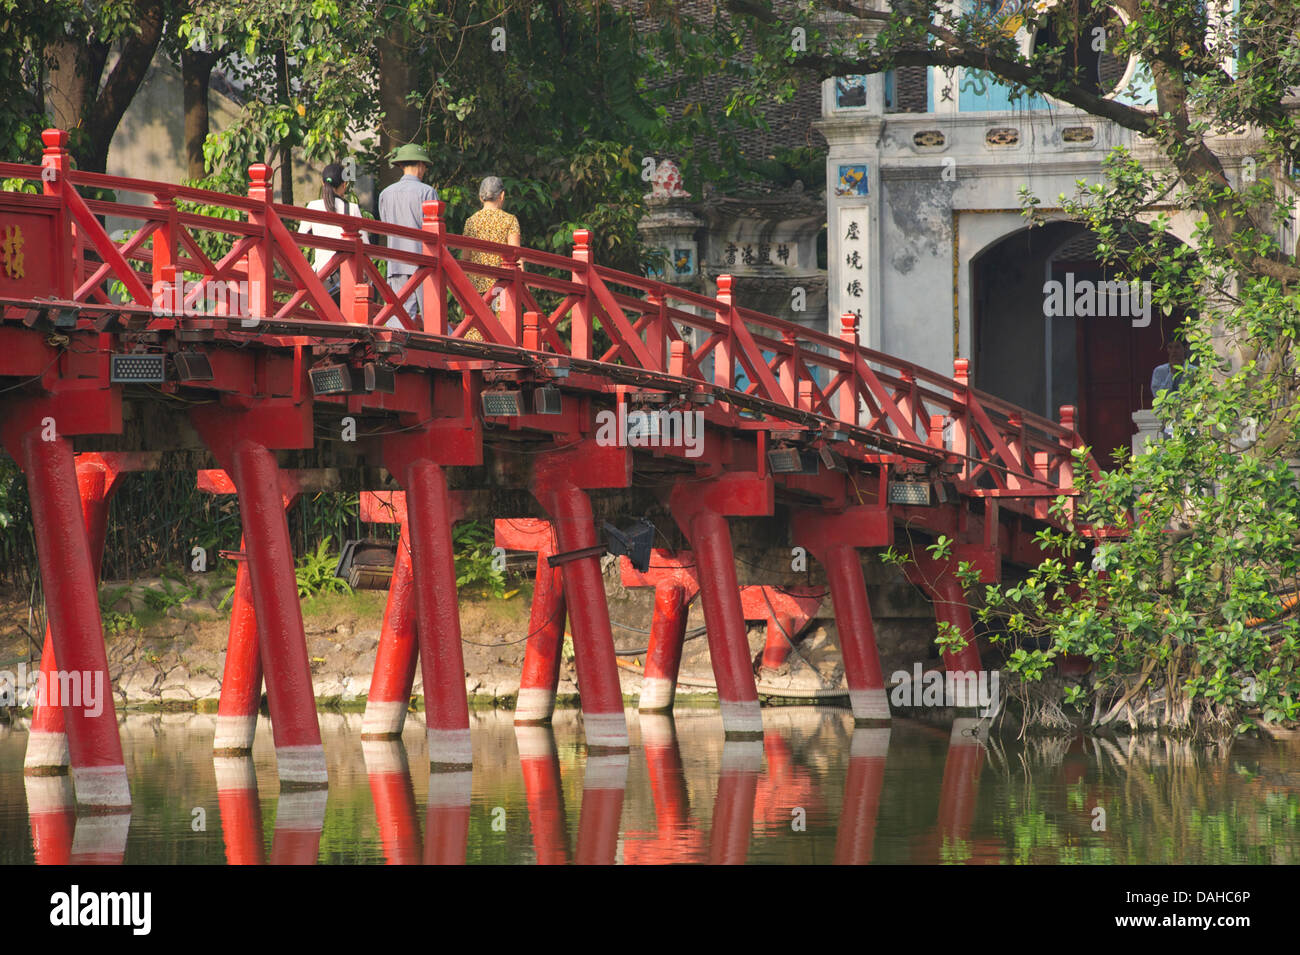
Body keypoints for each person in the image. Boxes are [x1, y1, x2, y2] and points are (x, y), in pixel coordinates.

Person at [378, 143, 437, 327]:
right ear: (420, 165)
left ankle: (394, 354)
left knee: (399, 318)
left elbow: (385, 224)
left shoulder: (385, 194)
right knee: (434, 318)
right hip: (423, 262)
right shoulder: (427, 191)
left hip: (395, 261)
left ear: (402, 166)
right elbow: (434, 232)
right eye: (425, 166)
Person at [297, 163, 369, 305]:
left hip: (321, 279)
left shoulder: (313, 206)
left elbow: (298, 240)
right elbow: (365, 247)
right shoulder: (351, 208)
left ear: (322, 183)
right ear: (344, 184)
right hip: (347, 279)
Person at [462, 175, 521, 304]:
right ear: (502, 196)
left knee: (478, 323)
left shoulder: (471, 221)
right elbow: (516, 257)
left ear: (480, 197)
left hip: (476, 288)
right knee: (499, 324)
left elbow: (466, 257)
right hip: (501, 287)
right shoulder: (510, 220)